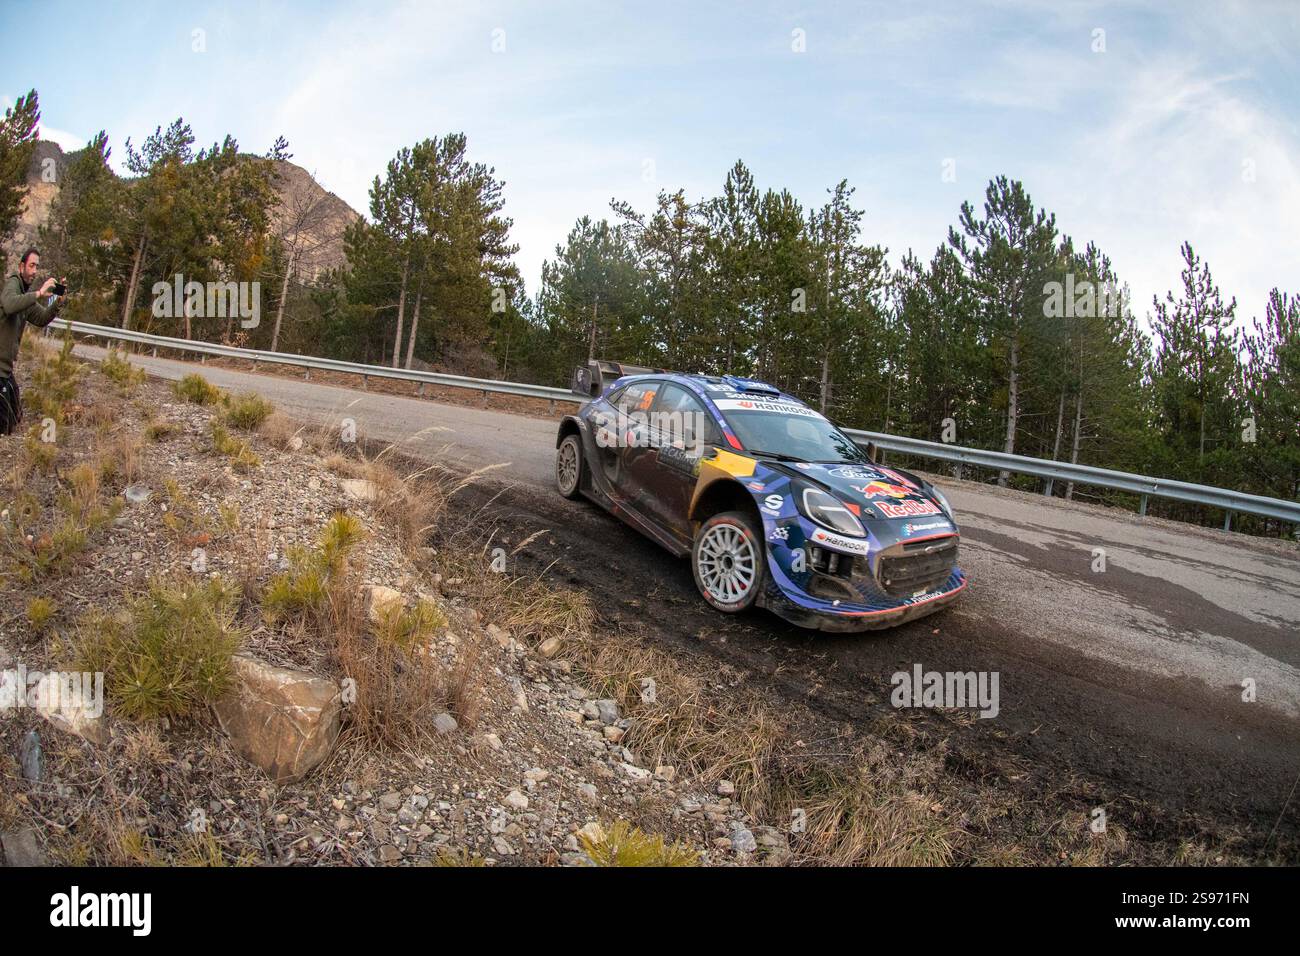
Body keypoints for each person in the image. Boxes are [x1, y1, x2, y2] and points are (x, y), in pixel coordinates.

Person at [1, 247, 65, 435]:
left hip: (5, 371)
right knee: (4, 424)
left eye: (36, 266)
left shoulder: (25, 296)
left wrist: (58, 302)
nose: (34, 271)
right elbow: (10, 305)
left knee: (14, 417)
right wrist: (38, 293)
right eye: (31, 266)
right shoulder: (12, 285)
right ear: (21, 266)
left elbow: (42, 318)